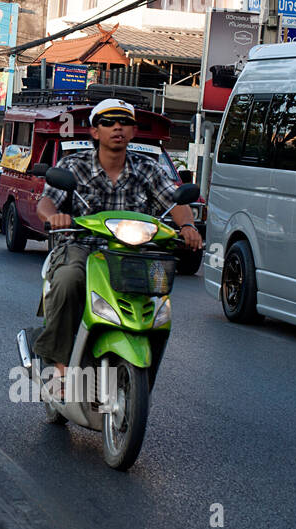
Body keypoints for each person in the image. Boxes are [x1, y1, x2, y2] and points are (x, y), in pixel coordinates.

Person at [34, 98, 204, 386]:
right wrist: (54, 217)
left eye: (124, 122)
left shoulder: (148, 169)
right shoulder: (73, 166)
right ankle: (60, 365)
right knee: (67, 279)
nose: (117, 127)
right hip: (83, 247)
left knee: (159, 299)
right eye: (109, 122)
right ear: (95, 131)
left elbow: (173, 201)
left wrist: (187, 226)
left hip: (134, 254)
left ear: (133, 131)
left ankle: (143, 364)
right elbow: (47, 202)